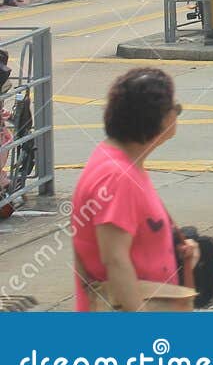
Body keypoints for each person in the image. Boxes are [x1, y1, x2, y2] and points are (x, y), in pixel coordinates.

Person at [71, 68, 197, 311]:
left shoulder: (121, 162)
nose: (177, 113)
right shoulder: (118, 177)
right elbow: (115, 260)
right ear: (157, 119)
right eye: (175, 108)